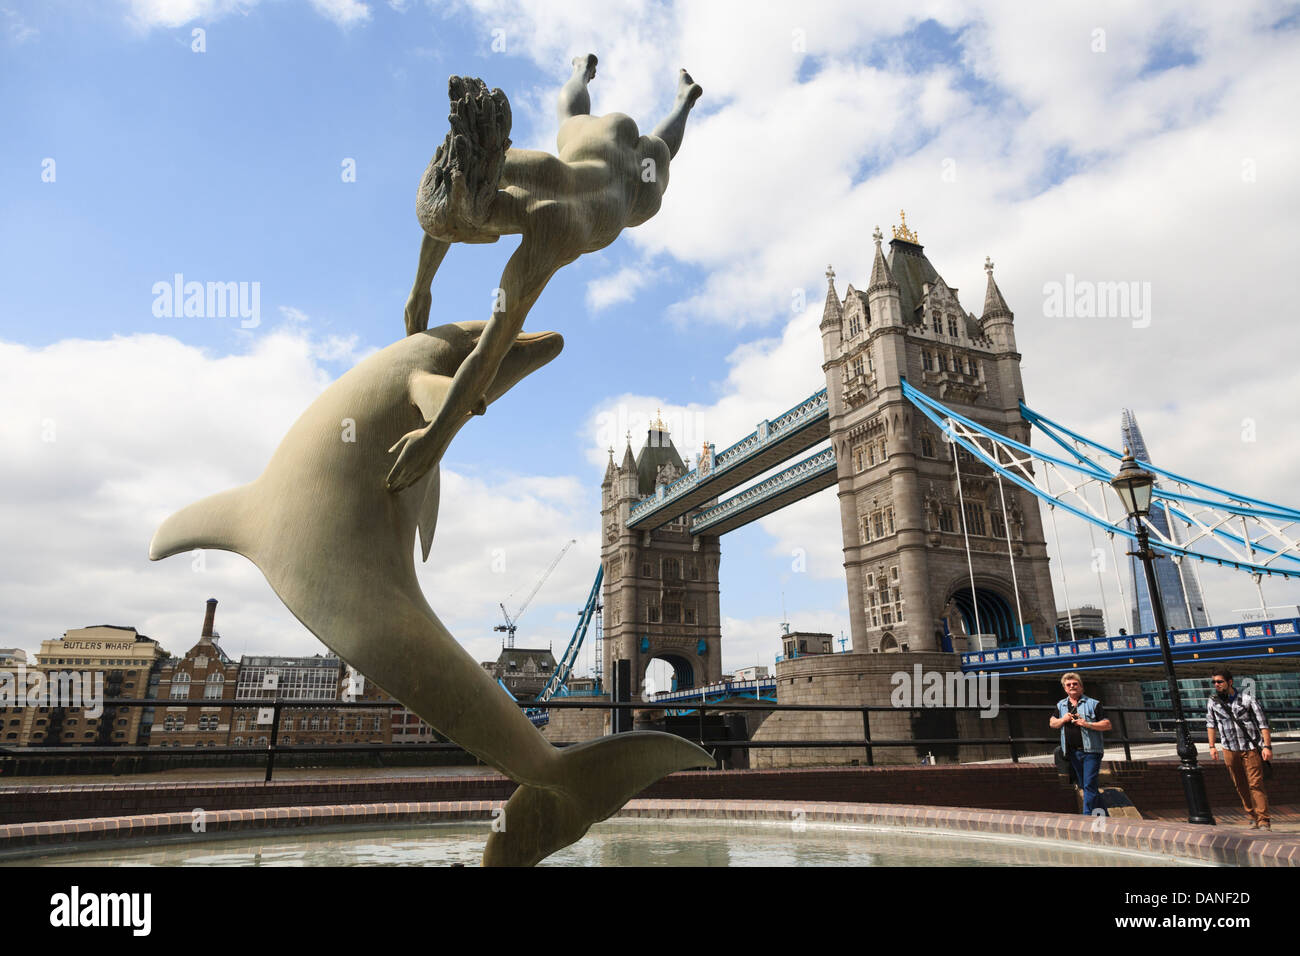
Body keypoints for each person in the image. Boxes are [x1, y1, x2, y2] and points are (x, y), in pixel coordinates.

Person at [388, 54, 703, 492]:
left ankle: (683, 104)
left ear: (474, 222)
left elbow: (489, 353)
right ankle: (595, 76)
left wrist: (434, 437)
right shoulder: (503, 165)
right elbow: (453, 188)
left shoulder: (551, 230)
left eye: (459, 236)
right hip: (598, 139)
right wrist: (419, 290)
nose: (457, 242)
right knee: (573, 117)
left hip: (635, 189)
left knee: (659, 152)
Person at [1206, 667, 1272, 829]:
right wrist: (1212, 746)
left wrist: (1267, 746)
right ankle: (1252, 816)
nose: (1216, 685)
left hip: (1250, 748)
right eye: (1214, 682)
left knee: (1255, 784)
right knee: (1240, 784)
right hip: (1229, 749)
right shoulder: (1213, 701)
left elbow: (1263, 724)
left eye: (1220, 682)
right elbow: (1211, 724)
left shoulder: (1247, 700)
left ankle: (1263, 820)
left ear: (1230, 682)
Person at [1049, 672, 1112, 814]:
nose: (1072, 686)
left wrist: (1087, 724)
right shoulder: (1061, 705)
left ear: (1081, 687)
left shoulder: (1093, 704)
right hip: (1072, 752)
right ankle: (1105, 816)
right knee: (1086, 785)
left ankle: (1087, 817)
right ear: (1065, 689)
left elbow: (1107, 725)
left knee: (1089, 784)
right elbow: (1052, 723)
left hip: (1091, 751)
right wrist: (1063, 719)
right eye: (1069, 685)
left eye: (1075, 684)